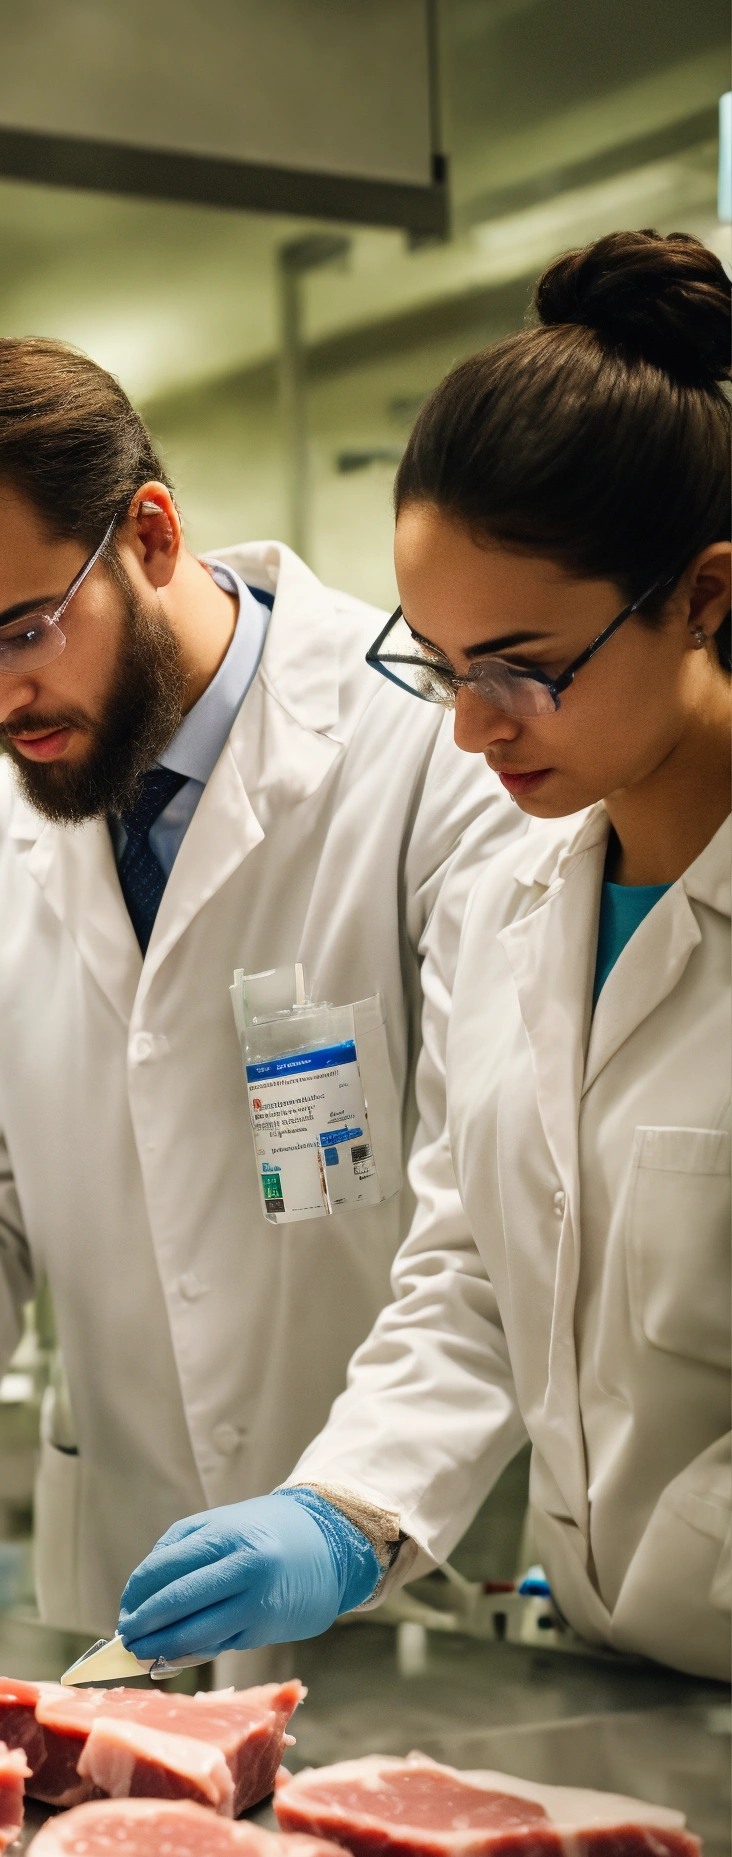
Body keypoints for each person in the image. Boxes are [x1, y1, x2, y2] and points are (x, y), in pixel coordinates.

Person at [0, 337, 520, 1614]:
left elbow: (492, 1212)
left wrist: (353, 1507)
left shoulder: (430, 751)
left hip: (406, 1570)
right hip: (122, 1557)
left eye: (23, 630)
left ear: (150, 536)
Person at [117, 231, 731, 1681]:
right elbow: (473, 1271)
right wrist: (345, 1510)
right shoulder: (517, 893)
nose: (469, 726)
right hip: (621, 1681)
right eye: (442, 666)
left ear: (706, 596)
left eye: (523, 667)